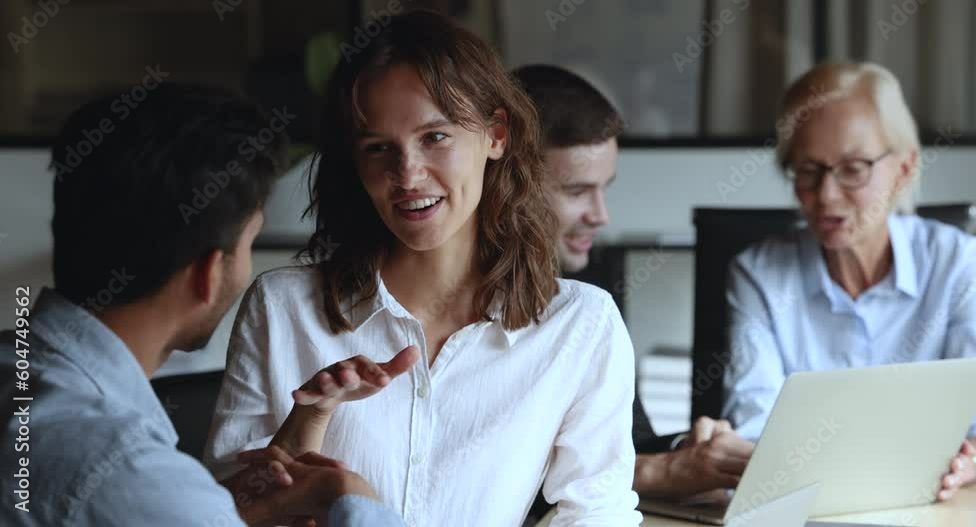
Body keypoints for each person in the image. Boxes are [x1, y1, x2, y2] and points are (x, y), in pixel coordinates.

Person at [204, 10, 642, 526]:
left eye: (435, 137)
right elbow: (223, 513)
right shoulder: (281, 308)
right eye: (378, 148)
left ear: (496, 135)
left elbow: (597, 512)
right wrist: (309, 418)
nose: (407, 175)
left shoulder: (581, 324)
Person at [0, 84, 402, 526]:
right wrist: (350, 497)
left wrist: (226, 507)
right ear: (208, 273)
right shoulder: (129, 470)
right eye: (249, 241)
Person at [722, 62, 976, 502]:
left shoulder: (957, 262)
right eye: (808, 170)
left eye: (853, 169)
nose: (826, 195)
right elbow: (754, 430)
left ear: (904, 168)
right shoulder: (759, 275)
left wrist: (969, 465)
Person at [513, 64, 754, 503]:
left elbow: (629, 439)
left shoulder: (586, 289)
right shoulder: (451, 301)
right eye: (577, 192)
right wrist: (659, 472)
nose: (601, 215)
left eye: (605, 188)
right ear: (509, 186)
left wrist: (689, 451)